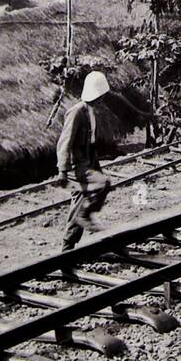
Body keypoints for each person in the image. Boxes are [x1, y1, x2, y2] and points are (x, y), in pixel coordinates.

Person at [57, 70, 115, 250]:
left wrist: (95, 166)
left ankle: (68, 249)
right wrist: (62, 170)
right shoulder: (76, 112)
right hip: (77, 166)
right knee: (102, 184)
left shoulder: (91, 111)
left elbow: (91, 143)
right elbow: (65, 141)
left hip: (88, 162)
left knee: (80, 202)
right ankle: (85, 217)